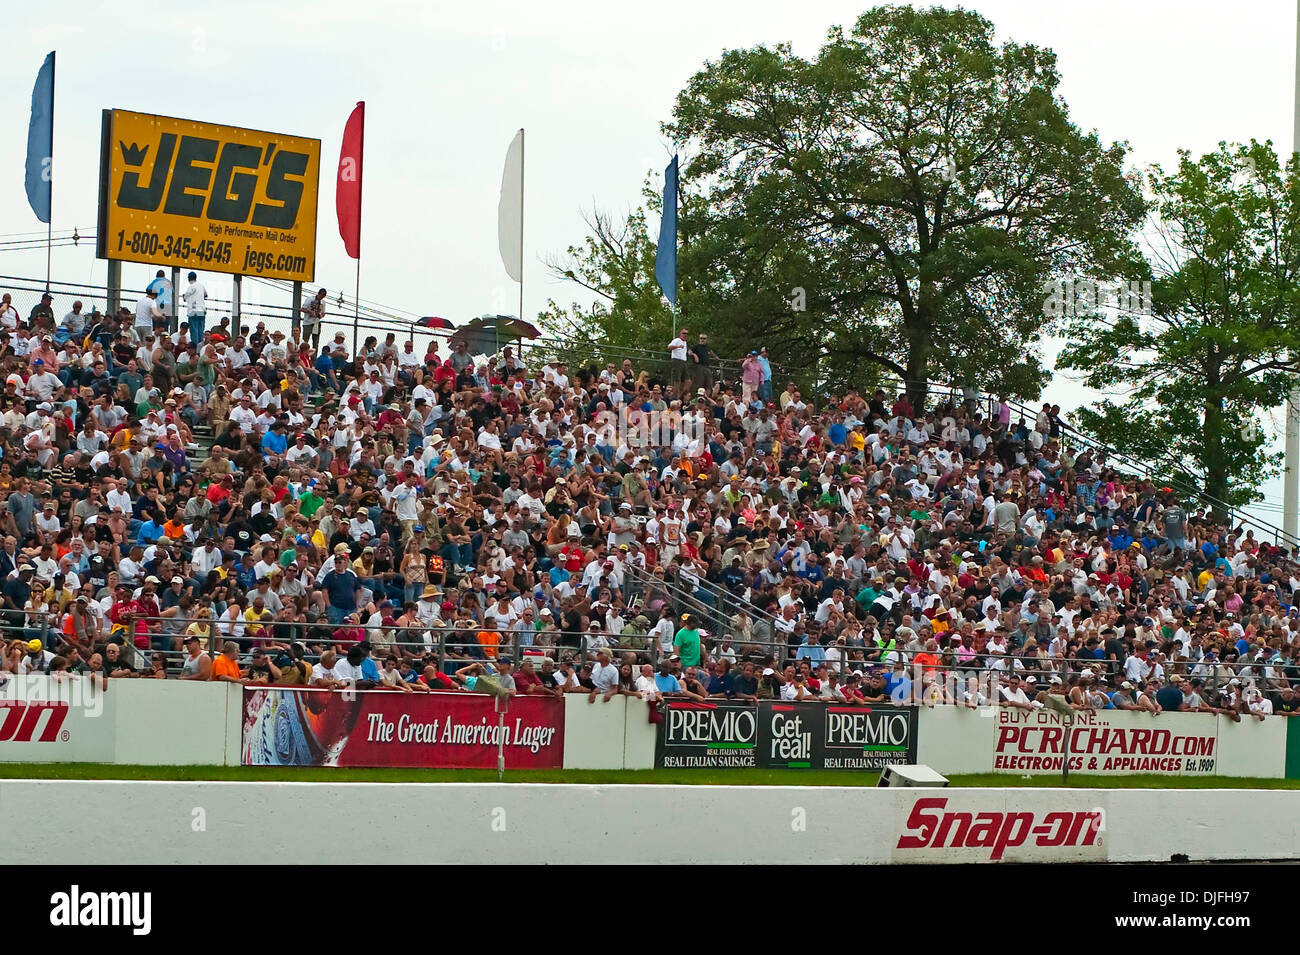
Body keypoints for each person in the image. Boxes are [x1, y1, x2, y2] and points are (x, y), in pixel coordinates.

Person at [181, 272, 207, 345]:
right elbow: (206, 295)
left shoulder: (191, 287)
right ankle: (200, 345)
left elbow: (185, 297)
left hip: (193, 311)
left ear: (189, 278)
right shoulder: (201, 285)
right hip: (202, 310)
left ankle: (195, 346)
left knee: (194, 330)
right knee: (200, 330)